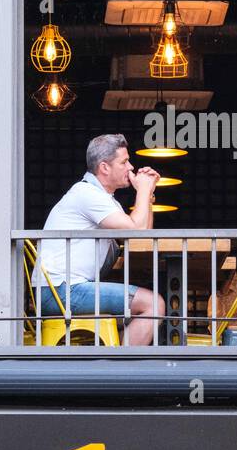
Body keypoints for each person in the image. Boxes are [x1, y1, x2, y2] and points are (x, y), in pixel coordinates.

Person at [36, 134, 165, 346]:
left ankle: (116, 361)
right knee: (154, 304)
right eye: (124, 162)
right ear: (104, 168)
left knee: (146, 306)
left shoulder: (104, 199)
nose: (131, 167)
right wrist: (142, 189)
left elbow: (142, 237)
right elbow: (137, 229)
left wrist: (148, 195)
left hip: (66, 289)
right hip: (61, 291)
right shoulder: (87, 194)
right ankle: (121, 372)